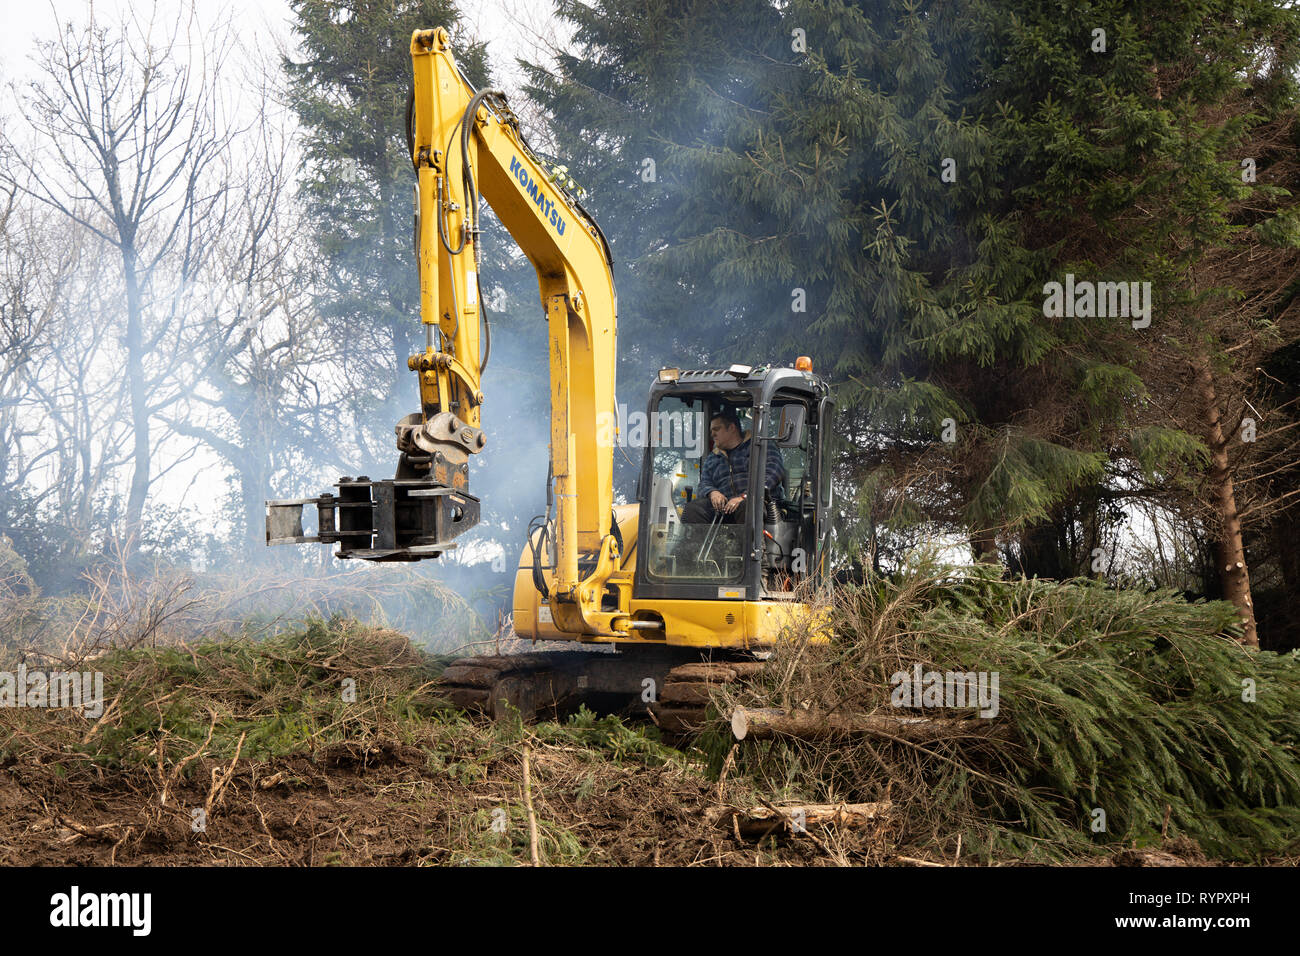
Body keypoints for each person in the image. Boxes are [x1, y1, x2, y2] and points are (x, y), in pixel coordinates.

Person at [682, 409, 784, 523]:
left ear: (731, 428)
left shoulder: (760, 447)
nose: (712, 434)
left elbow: (774, 472)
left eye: (716, 429)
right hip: (725, 509)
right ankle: (697, 541)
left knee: (748, 506)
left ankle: (751, 541)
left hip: (759, 506)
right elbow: (704, 482)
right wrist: (712, 492)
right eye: (711, 431)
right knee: (693, 509)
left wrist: (744, 496)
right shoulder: (713, 457)